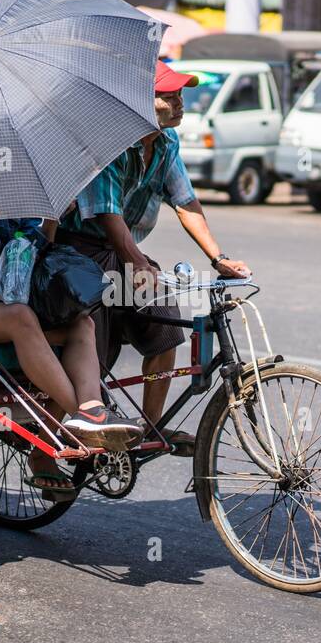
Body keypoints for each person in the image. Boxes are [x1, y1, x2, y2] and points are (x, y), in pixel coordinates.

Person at [56, 61, 251, 451]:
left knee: (165, 331)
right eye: (169, 96)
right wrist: (139, 264)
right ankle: (53, 446)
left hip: (122, 251)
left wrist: (218, 257)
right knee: (91, 354)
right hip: (80, 251)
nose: (180, 103)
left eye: (180, 95)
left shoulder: (166, 143)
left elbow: (185, 201)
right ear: (141, 102)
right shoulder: (108, 144)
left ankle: (151, 427)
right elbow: (108, 214)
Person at [0, 217, 140, 492]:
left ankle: (92, 409)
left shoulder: (10, 193)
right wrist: (1, 259)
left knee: (80, 322)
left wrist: (51, 221)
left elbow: (36, 244)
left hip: (5, 296)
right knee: (20, 317)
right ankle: (84, 422)